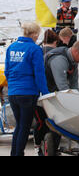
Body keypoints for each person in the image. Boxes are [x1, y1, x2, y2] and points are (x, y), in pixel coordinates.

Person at [4, 22, 49, 156]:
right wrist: (46, 93)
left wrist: (13, 85)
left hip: (13, 93)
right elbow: (39, 74)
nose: (38, 37)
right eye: (38, 35)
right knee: (24, 126)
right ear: (34, 34)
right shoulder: (34, 49)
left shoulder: (11, 48)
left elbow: (7, 71)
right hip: (28, 92)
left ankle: (15, 153)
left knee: (20, 125)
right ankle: (18, 154)